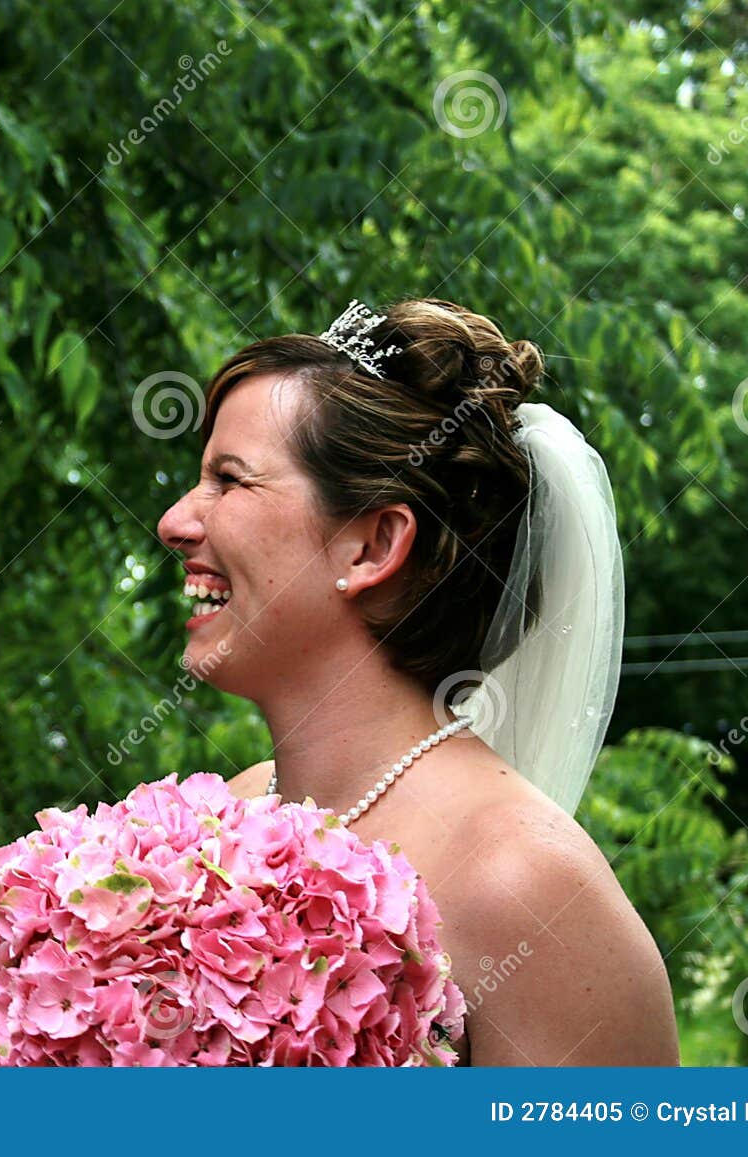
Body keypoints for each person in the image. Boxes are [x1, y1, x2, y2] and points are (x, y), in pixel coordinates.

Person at [156, 298, 680, 1065]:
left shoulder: (526, 887)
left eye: (229, 480)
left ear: (372, 544)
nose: (175, 522)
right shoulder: (227, 814)